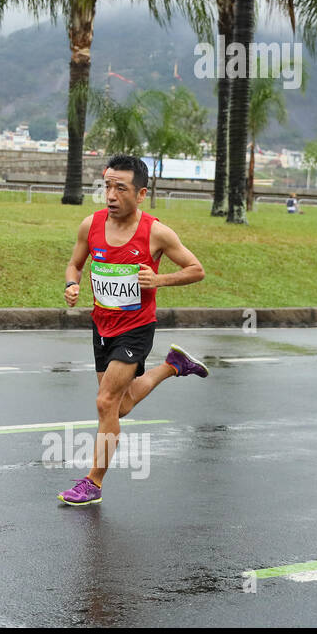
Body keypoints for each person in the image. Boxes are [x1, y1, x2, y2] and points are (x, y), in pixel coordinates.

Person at [58, 154, 208, 506]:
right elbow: (75, 263)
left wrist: (159, 278)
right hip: (102, 326)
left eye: (120, 188)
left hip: (137, 327)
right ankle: (173, 365)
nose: (110, 195)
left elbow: (196, 269)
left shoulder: (156, 232)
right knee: (120, 407)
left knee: (105, 401)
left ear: (140, 194)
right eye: (107, 186)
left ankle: (93, 482)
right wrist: (71, 284)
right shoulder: (90, 225)